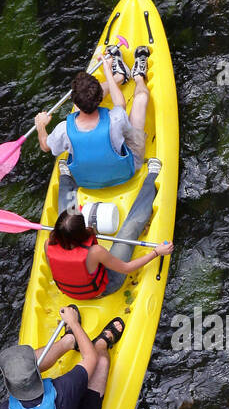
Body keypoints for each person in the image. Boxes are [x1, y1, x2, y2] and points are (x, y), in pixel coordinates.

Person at [35, 45, 151, 191]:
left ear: (74, 102)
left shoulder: (63, 130)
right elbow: (120, 103)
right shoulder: (116, 118)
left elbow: (45, 146)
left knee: (82, 105)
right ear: (100, 98)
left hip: (87, 182)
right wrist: (107, 71)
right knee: (140, 99)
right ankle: (138, 77)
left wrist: (40, 126)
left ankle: (120, 76)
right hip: (127, 171)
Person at [46, 203, 173, 299]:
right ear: (81, 231)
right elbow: (127, 268)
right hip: (103, 289)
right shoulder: (95, 252)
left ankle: (65, 176)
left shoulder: (48, 243)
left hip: (70, 293)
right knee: (128, 232)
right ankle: (151, 181)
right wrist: (156, 252)